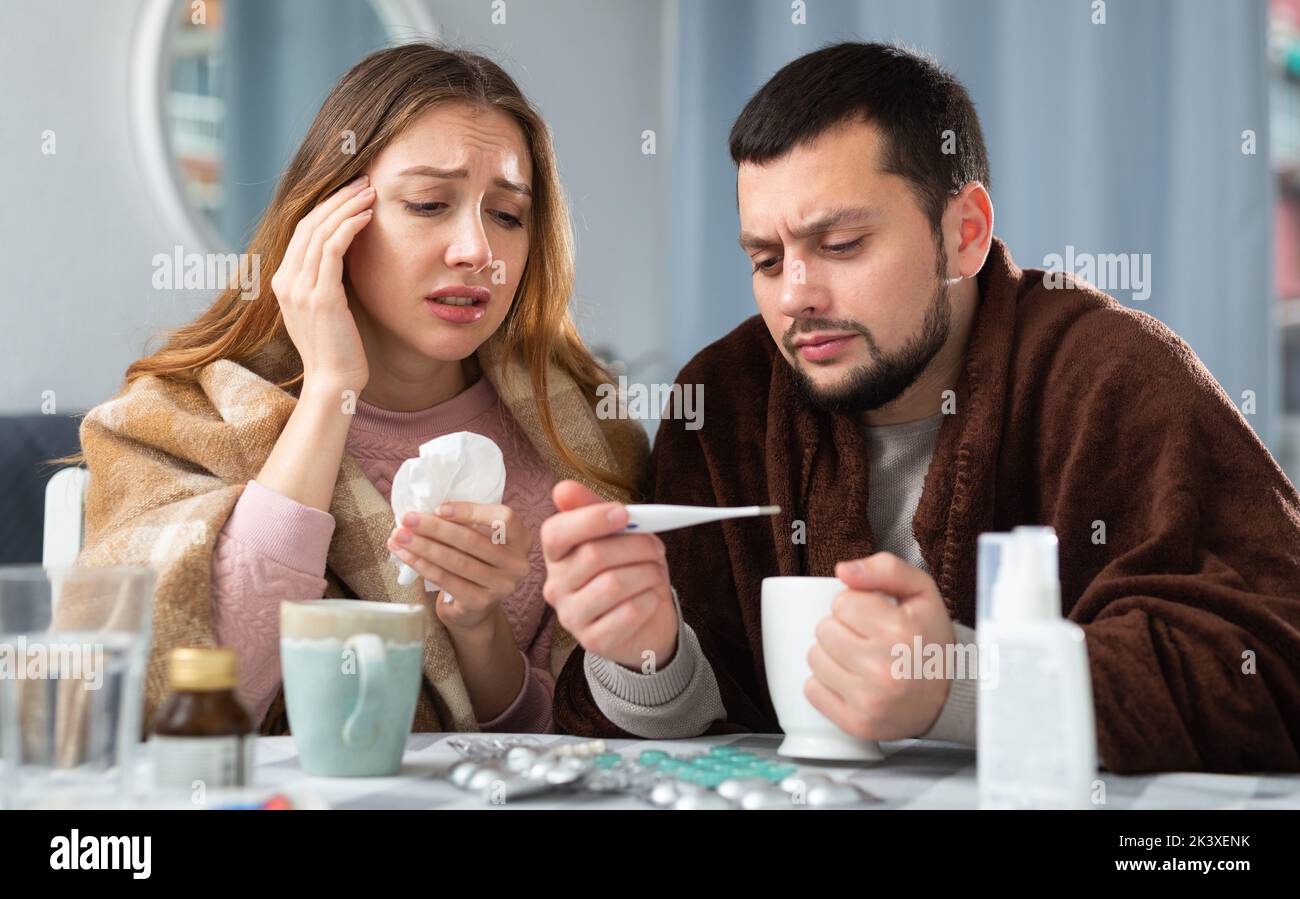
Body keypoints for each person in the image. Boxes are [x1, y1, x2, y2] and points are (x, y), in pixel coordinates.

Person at [542, 42, 1300, 774]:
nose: (793, 294)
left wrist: (959, 684)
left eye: (839, 243)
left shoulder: (1113, 375)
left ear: (964, 233)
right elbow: (703, 728)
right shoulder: (726, 401)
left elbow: (1270, 666)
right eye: (766, 259)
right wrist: (648, 656)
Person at [69, 44, 647, 735]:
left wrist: (477, 626)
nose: (477, 251)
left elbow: (564, 739)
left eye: (508, 215)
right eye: (430, 203)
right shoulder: (178, 420)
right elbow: (191, 701)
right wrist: (331, 390)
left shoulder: (583, 438)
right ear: (328, 220)